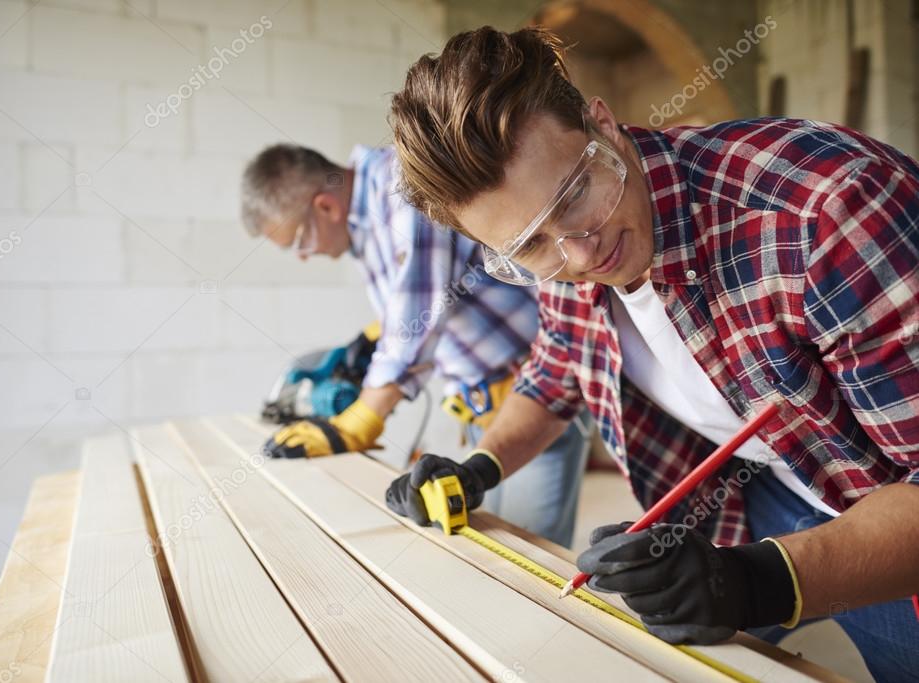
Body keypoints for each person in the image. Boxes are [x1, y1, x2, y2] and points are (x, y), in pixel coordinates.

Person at [383, 25, 919, 682]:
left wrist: (755, 582)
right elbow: (555, 377)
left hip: (888, 508)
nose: (579, 254)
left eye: (574, 193)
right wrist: (478, 467)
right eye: (529, 246)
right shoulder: (566, 257)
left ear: (602, 124)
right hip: (759, 491)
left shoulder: (826, 209)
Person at [239, 143, 592, 547]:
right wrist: (371, 340)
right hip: (481, 411)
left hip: (540, 401)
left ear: (325, 207)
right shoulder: (364, 222)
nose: (304, 257)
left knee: (532, 554)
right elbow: (423, 299)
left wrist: (359, 421)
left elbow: (416, 315)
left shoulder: (401, 185)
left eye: (297, 243)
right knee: (491, 546)